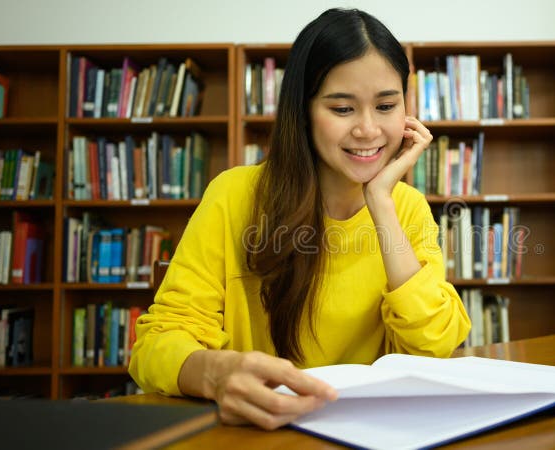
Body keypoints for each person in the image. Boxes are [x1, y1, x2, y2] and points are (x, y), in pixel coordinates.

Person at [128, 8, 471, 430]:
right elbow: (157, 344)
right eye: (342, 109)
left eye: (386, 105)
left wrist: (381, 201)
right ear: (303, 111)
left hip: (370, 431)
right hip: (257, 432)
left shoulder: (408, 208)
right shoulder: (234, 195)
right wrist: (216, 375)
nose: (368, 129)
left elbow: (433, 350)